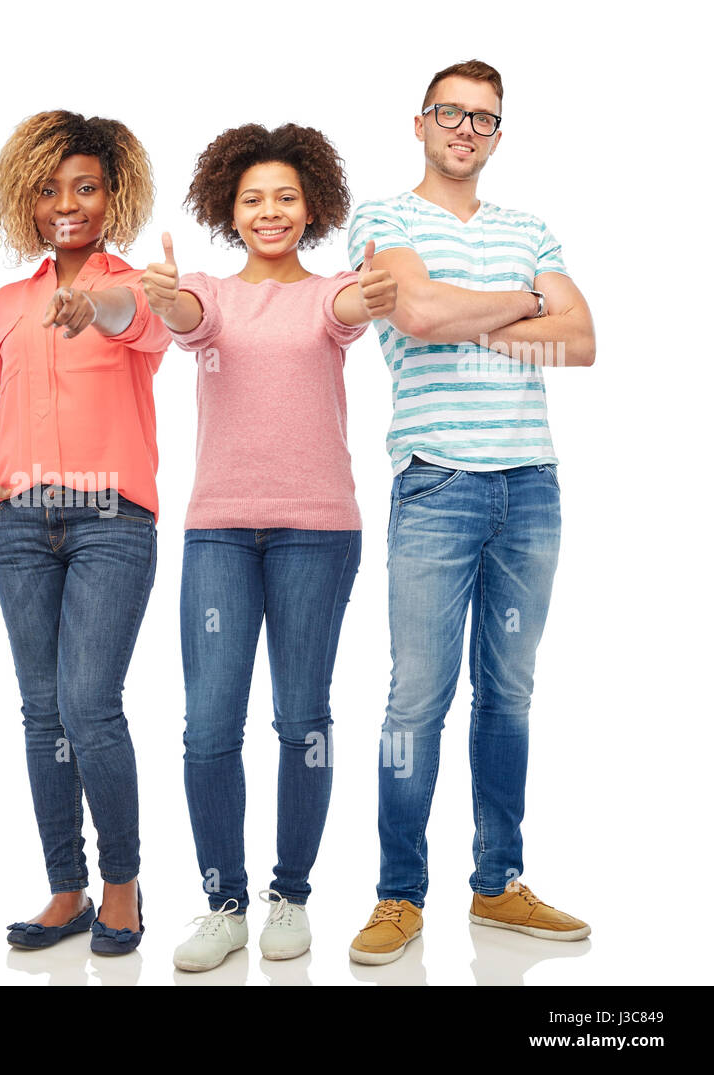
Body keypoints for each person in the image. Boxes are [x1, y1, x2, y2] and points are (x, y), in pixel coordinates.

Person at [345, 59, 596, 965]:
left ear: (497, 134)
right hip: (437, 482)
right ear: (420, 123)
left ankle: (498, 883)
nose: (466, 128)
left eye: (484, 118)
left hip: (530, 486)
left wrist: (469, 313)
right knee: (417, 697)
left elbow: (581, 341)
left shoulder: (530, 228)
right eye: (450, 112)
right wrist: (525, 303)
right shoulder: (382, 217)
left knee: (509, 694)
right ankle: (397, 894)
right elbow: (415, 310)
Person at [140, 124, 396, 972]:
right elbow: (186, 318)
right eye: (253, 198)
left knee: (301, 718)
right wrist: (164, 295)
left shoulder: (331, 293)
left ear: (311, 207)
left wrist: (376, 289)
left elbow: (352, 311)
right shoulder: (208, 292)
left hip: (317, 531)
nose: (270, 211)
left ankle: (291, 894)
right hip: (219, 529)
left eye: (286, 197)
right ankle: (224, 903)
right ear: (230, 209)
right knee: (209, 724)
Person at [0, 111, 170, 955]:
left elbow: (130, 317)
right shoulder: (7, 303)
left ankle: (123, 885)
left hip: (112, 520)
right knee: (42, 711)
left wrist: (93, 303)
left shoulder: (141, 288)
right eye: (50, 190)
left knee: (89, 704)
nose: (68, 204)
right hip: (17, 525)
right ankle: (66, 888)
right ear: (29, 201)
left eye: (86, 188)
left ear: (115, 196)